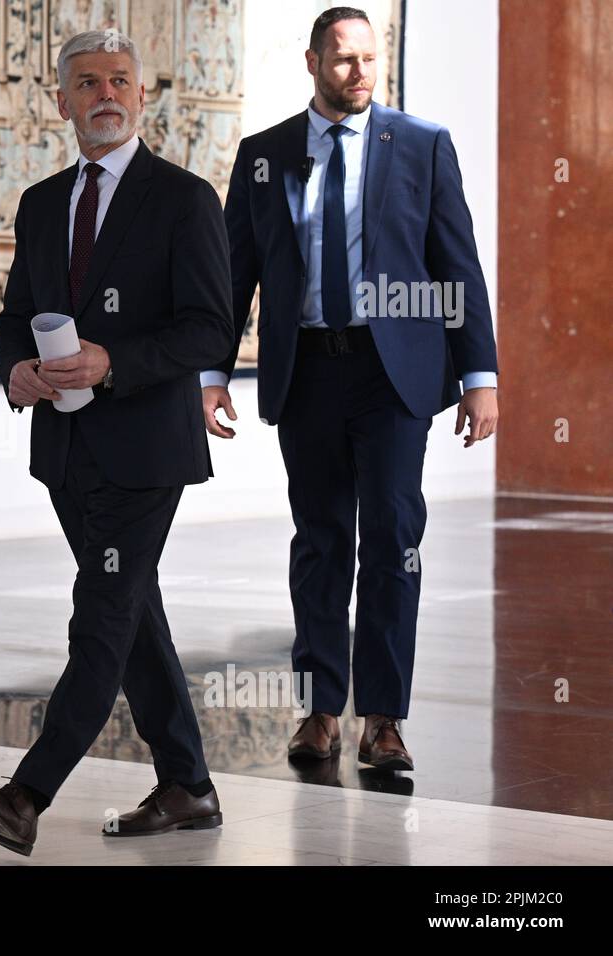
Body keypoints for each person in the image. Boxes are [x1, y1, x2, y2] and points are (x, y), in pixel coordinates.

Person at [201, 7, 499, 772]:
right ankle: (320, 711)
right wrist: (211, 374)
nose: (360, 72)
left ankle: (385, 719)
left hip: (393, 373)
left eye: (370, 58)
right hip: (308, 373)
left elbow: (457, 267)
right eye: (343, 60)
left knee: (394, 543)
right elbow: (236, 275)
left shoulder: (424, 146)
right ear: (312, 63)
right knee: (321, 541)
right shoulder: (264, 156)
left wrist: (479, 376)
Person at [0, 29, 236, 856]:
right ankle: (187, 785)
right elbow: (16, 314)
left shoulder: (185, 200)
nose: (105, 94)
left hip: (149, 452)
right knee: (135, 615)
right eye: (87, 83)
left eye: (120, 80)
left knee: (103, 619)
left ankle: (27, 793)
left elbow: (209, 328)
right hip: (66, 452)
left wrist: (115, 359)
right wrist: (15, 370)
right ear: (62, 101)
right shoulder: (43, 203)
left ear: (142, 96)